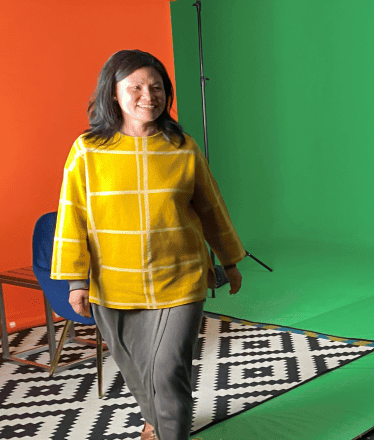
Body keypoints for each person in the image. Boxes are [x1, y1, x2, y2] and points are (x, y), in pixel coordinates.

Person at [51, 49, 245, 440]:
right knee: (135, 365)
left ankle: (171, 431)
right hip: (113, 282)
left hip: (180, 276)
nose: (148, 95)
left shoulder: (183, 147)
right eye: (135, 86)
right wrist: (75, 282)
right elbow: (72, 216)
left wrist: (230, 260)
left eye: (156, 87)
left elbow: (212, 209)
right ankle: (155, 419)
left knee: (168, 368)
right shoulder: (87, 151)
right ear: (113, 94)